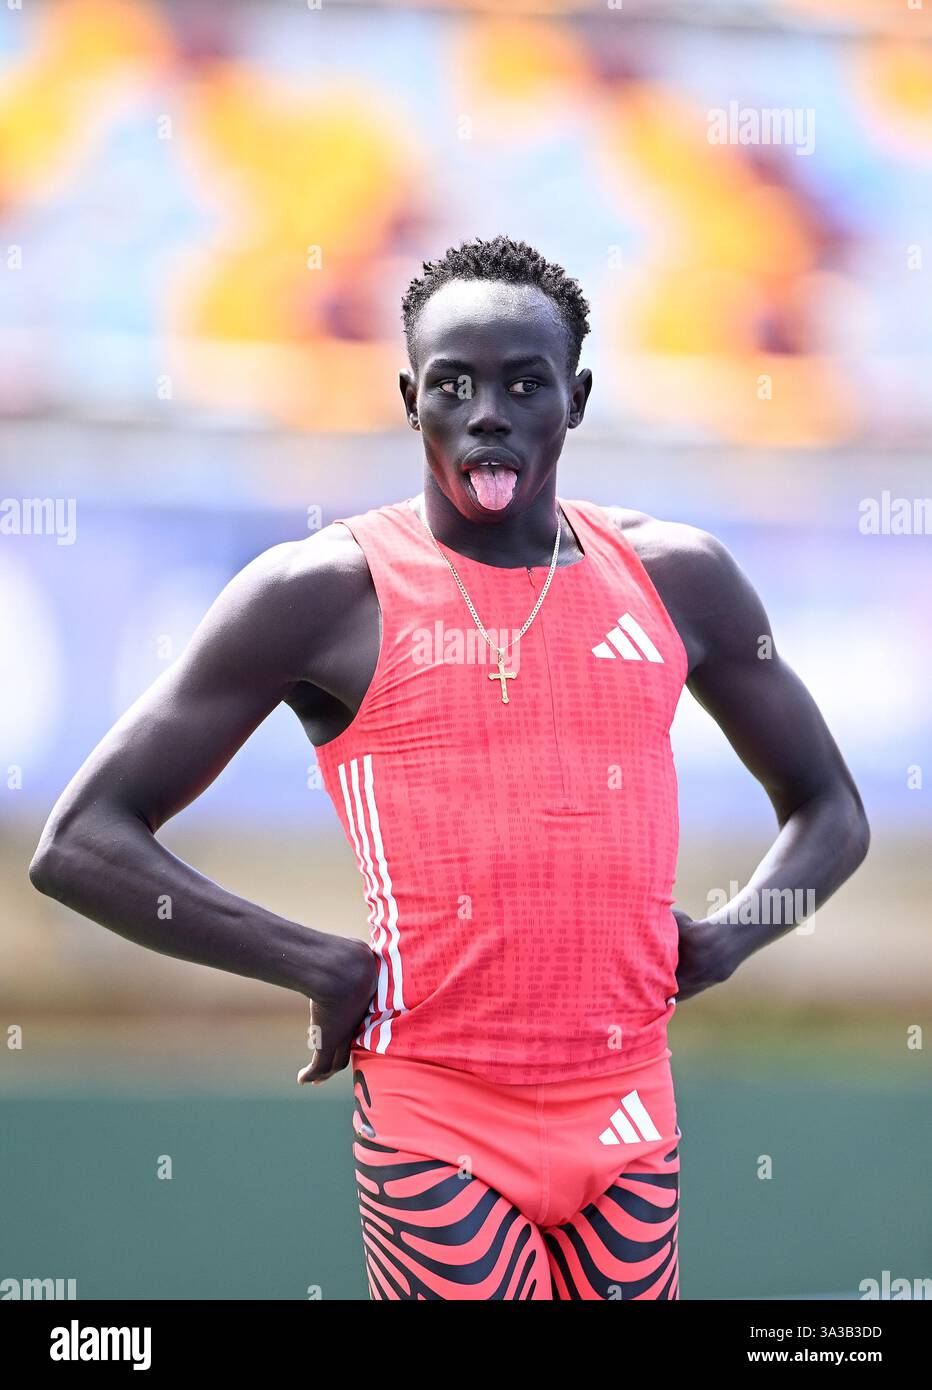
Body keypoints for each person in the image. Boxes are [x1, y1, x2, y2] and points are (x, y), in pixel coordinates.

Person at [29, 235, 870, 1300]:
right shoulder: (324, 592)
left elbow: (829, 807)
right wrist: (316, 962)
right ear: (406, 396)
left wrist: (726, 939)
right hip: (438, 1114)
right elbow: (81, 843)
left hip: (627, 1107)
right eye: (452, 383)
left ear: (577, 398)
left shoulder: (677, 581)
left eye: (524, 384)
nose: (487, 412)